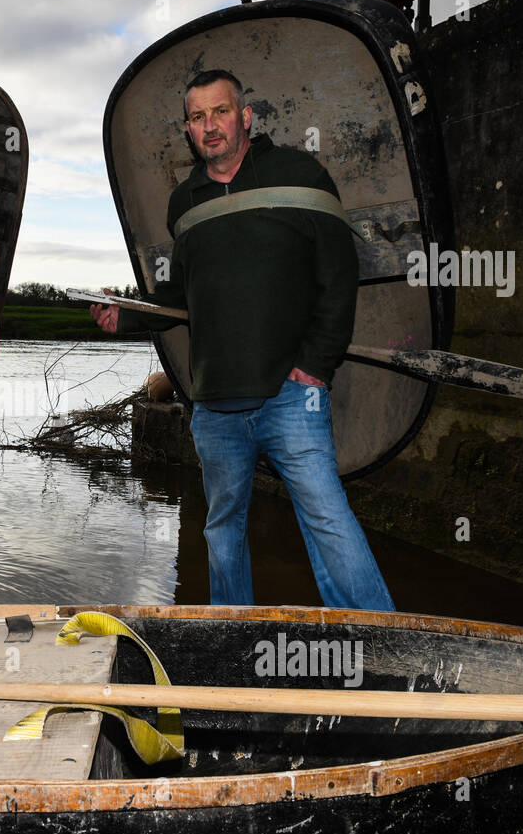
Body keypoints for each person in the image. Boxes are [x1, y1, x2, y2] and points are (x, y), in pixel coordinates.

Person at [92, 69, 395, 611]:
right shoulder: (185, 203)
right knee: (221, 529)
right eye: (198, 117)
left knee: (327, 519)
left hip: (291, 395)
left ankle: (383, 646)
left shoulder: (300, 173)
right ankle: (231, 635)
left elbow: (338, 276)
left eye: (221, 112)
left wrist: (315, 367)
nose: (211, 126)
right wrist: (127, 318)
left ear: (245, 117)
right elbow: (178, 298)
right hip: (214, 404)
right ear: (188, 129)